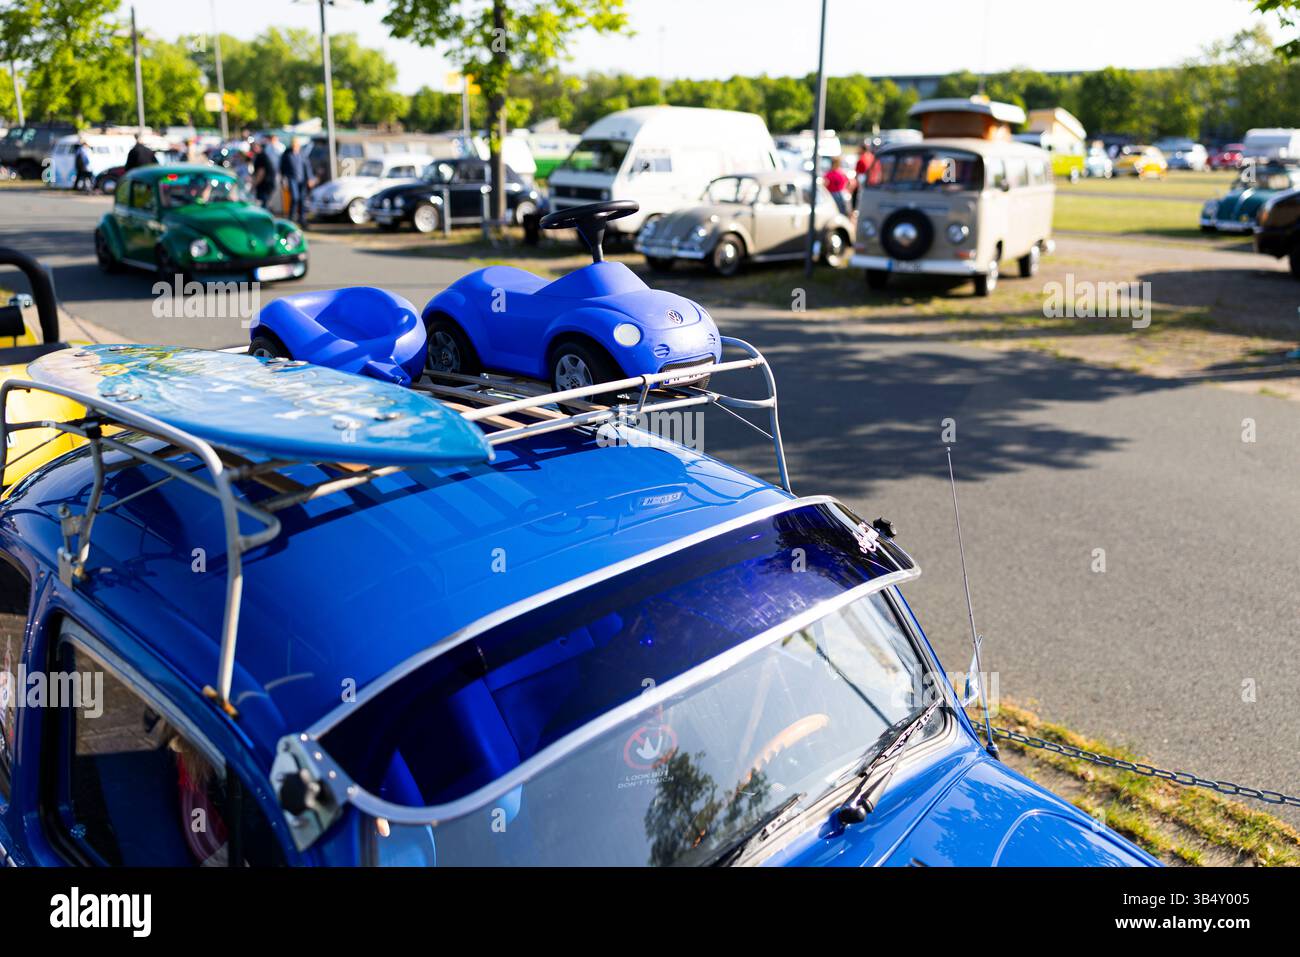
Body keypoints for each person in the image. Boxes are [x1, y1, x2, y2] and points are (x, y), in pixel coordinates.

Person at [279, 136, 312, 226]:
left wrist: (309, 178)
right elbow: (282, 167)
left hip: (302, 180)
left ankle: (302, 219)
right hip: (292, 178)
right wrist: (283, 178)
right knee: (295, 198)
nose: (295, 147)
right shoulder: (287, 154)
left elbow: (307, 167)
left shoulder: (302, 154)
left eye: (296, 145)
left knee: (302, 199)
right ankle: (291, 217)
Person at [251, 140, 278, 208]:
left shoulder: (261, 156)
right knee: (263, 203)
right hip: (267, 184)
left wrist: (254, 184)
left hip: (265, 184)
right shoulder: (262, 155)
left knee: (262, 205)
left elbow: (261, 173)